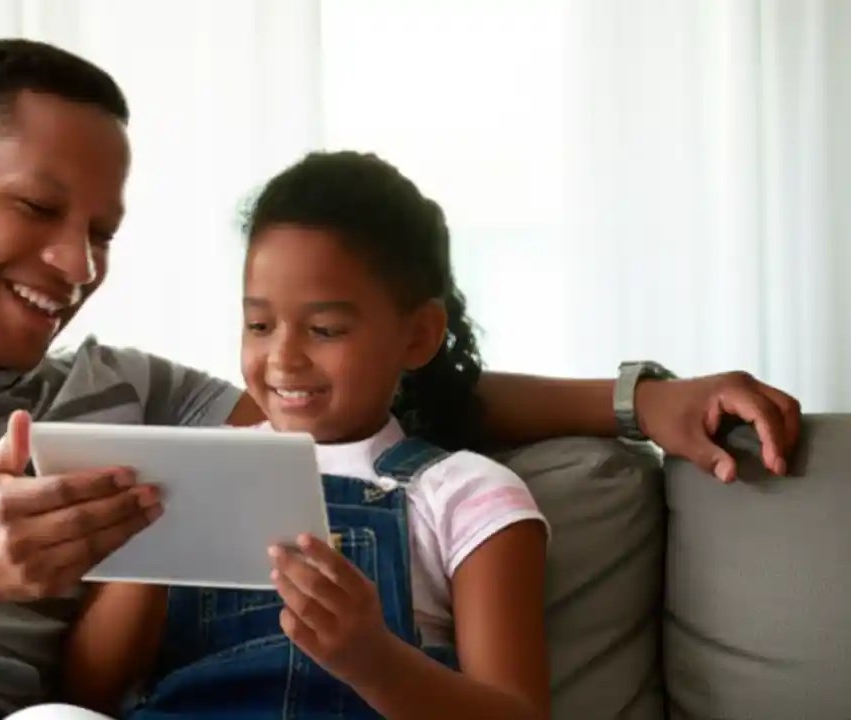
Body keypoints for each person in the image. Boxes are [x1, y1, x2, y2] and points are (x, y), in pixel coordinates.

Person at [0, 38, 800, 720]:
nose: (76, 264)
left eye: (102, 228)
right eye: (41, 209)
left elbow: (352, 396)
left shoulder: (119, 397)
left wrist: (637, 401)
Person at [57, 151, 550, 719]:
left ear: (418, 336)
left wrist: (373, 661)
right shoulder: (198, 465)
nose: (283, 359)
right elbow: (88, 692)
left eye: (324, 330)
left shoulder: (465, 493)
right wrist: (152, 549)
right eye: (259, 326)